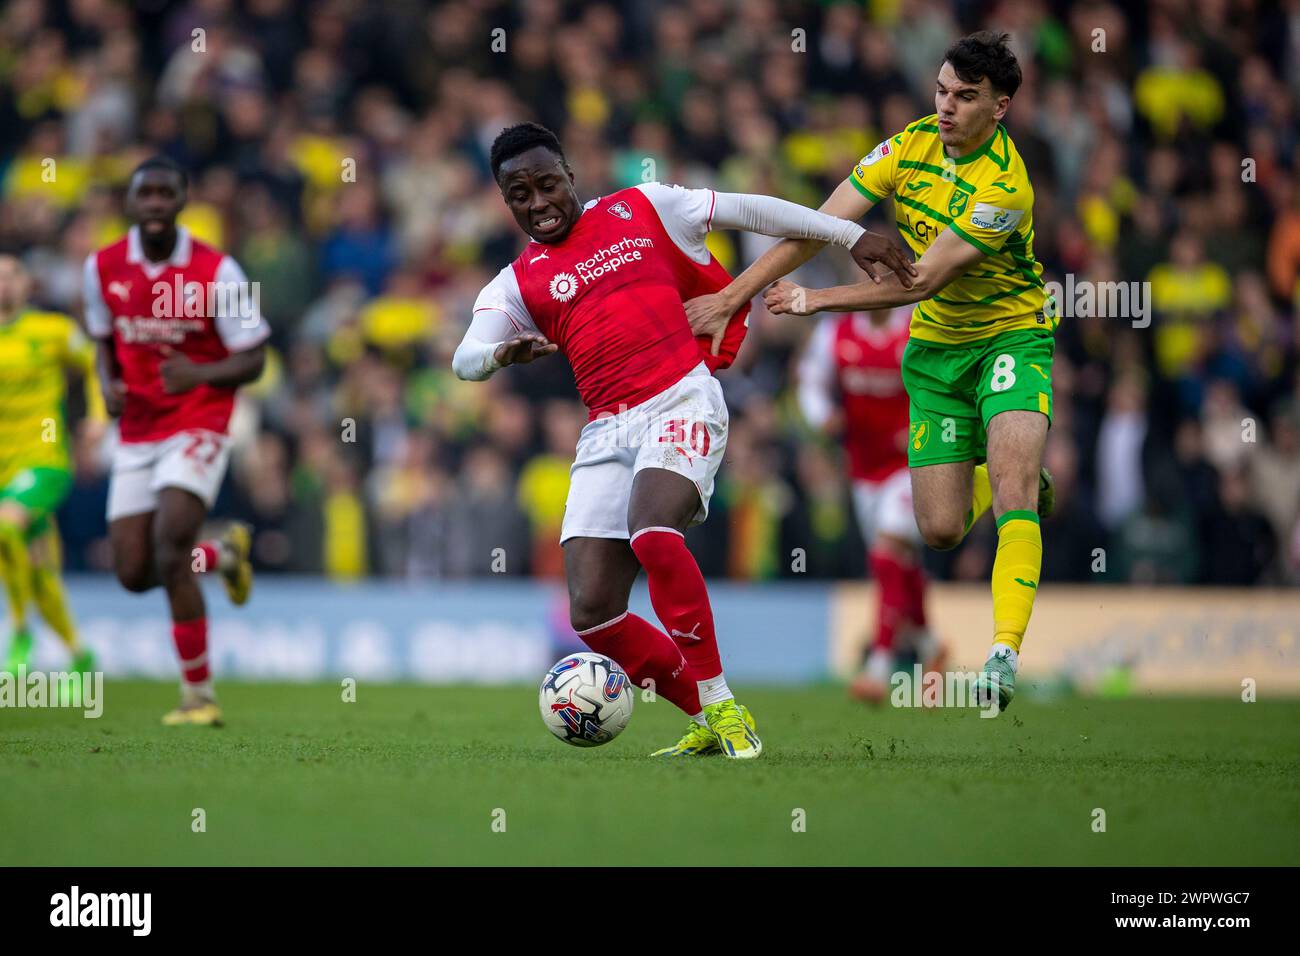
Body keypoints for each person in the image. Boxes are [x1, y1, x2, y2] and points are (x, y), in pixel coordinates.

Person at [453, 122, 912, 757]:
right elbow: (464, 357)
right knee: (593, 611)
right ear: (505, 200)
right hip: (606, 430)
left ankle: (723, 707)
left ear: (571, 176)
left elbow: (751, 209)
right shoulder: (517, 282)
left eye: (547, 184)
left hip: (680, 396)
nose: (537, 204)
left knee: (653, 531)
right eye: (519, 195)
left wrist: (852, 233)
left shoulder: (643, 206)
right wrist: (502, 352)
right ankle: (710, 717)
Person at [688, 32, 1054, 710]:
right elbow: (815, 226)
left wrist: (815, 300)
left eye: (965, 97)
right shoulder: (905, 147)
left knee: (1011, 493)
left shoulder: (1005, 187)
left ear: (999, 107)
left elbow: (918, 283)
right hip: (936, 352)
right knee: (940, 528)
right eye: (942, 91)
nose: (946, 107)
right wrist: (733, 296)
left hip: (1010, 337)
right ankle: (1019, 480)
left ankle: (1003, 654)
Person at [84, 156, 266, 726]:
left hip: (200, 418)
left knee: (169, 542)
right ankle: (221, 553)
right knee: (133, 571)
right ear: (131, 203)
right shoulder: (103, 267)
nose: (157, 203)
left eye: (168, 193)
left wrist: (201, 375)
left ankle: (198, 697)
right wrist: (107, 384)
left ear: (184, 201)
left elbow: (254, 357)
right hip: (136, 429)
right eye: (147, 194)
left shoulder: (219, 270)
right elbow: (102, 341)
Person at [795, 305, 948, 701]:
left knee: (885, 553)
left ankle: (879, 666)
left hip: (909, 463)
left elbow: (942, 383)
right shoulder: (836, 332)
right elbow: (809, 380)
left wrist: (926, 426)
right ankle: (931, 644)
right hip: (862, 469)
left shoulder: (916, 328)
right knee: (900, 562)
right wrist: (822, 415)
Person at [0, 255, 105, 682]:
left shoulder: (53, 330)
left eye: (11, 275)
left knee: (6, 527)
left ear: (27, 284)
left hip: (44, 460)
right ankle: (79, 657)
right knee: (39, 567)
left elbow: (96, 363)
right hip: (5, 468)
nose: (5, 284)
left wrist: (99, 415)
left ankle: (20, 630)